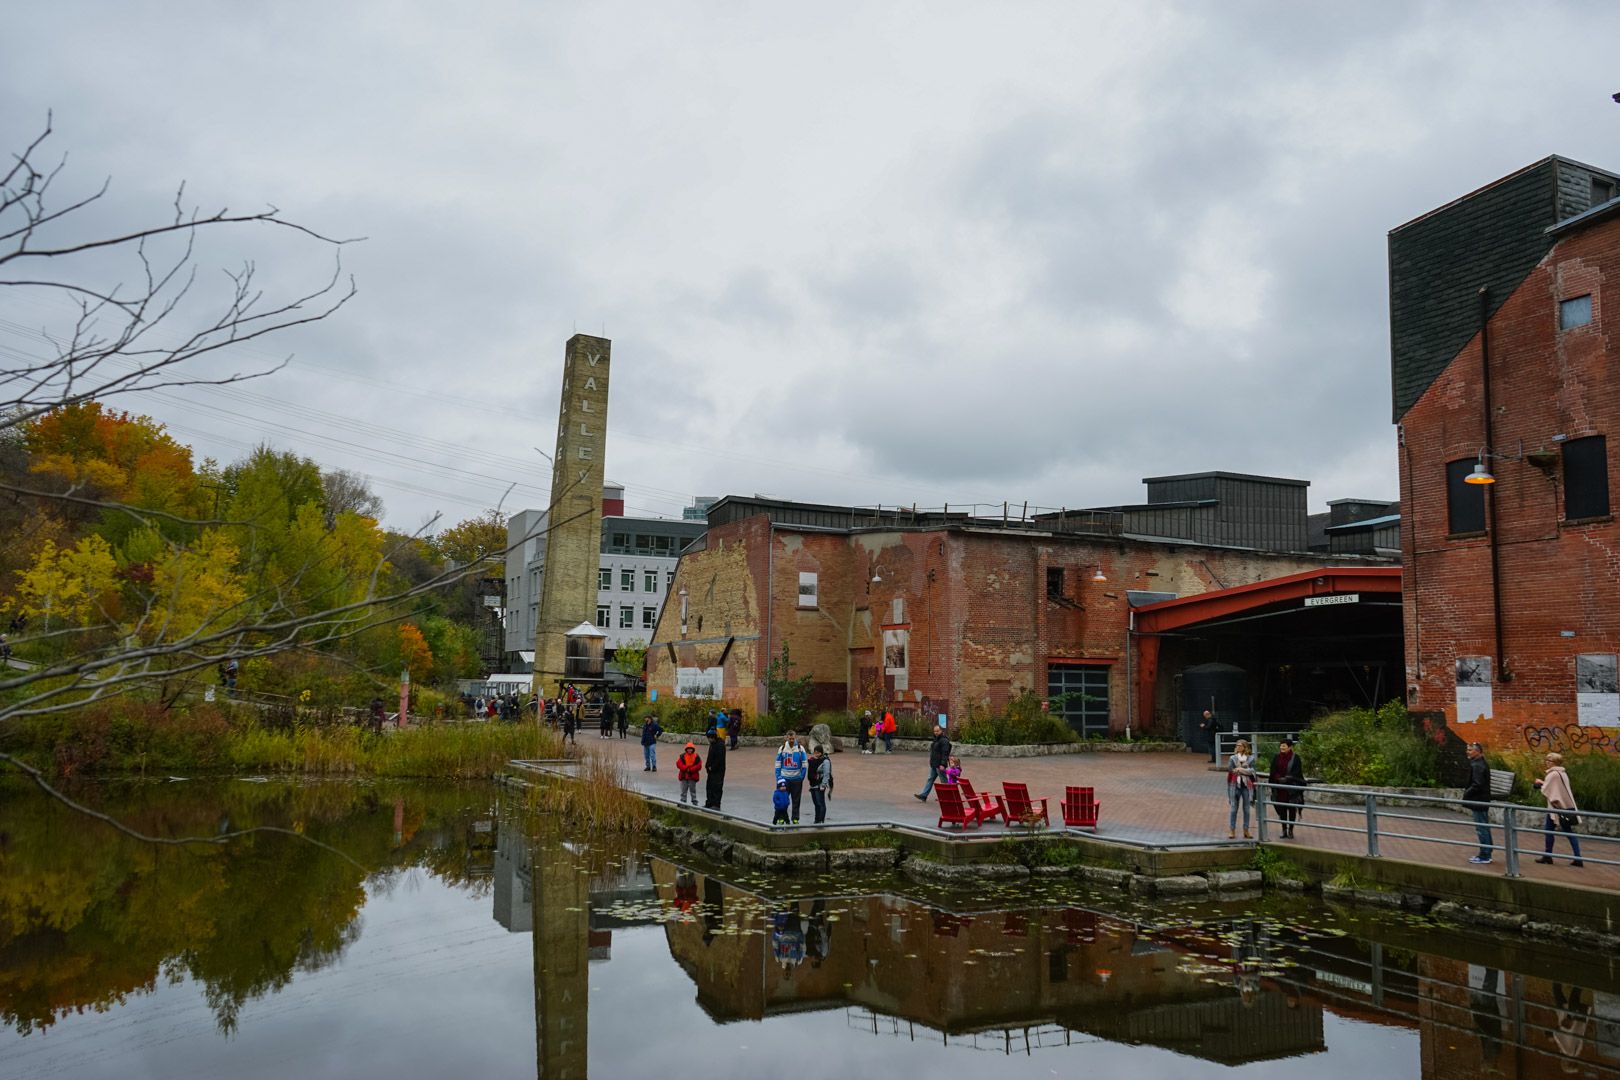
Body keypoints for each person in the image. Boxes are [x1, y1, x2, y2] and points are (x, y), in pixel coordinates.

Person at [1533, 751, 1583, 867]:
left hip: (1556, 808)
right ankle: (1577, 857)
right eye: (1546, 760)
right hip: (1566, 806)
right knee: (1568, 832)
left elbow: (1547, 789)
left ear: (1555, 762)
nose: (1547, 762)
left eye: (1549, 760)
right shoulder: (1562, 773)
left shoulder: (1553, 774)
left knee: (1549, 831)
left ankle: (1548, 856)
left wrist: (1540, 783)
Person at [1462, 741, 1494, 864]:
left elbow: (1477, 784)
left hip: (1479, 800)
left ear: (1477, 751)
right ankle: (1486, 852)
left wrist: (1466, 794)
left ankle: (1485, 855)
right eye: (1467, 749)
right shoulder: (1479, 763)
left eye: (1470, 750)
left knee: (1481, 827)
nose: (1467, 752)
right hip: (1482, 799)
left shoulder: (1478, 765)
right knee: (1483, 826)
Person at [1268, 737, 1305, 838]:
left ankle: (1291, 830)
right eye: (1281, 746)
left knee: (1291, 809)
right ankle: (1284, 830)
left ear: (1289, 747)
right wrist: (1277, 778)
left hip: (1291, 788)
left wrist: (1288, 778)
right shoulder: (1276, 757)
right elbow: (1273, 771)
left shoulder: (1295, 758)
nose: (1281, 747)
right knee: (1282, 809)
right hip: (1280, 788)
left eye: (1284, 746)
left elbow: (1297, 772)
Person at [915, 717, 952, 802]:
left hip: (940, 765)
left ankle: (949, 797)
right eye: (934, 731)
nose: (936, 733)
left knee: (944, 781)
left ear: (941, 731)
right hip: (934, 764)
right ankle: (924, 795)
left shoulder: (944, 741)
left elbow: (945, 753)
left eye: (937, 731)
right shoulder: (936, 740)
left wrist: (943, 764)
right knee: (930, 779)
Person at [775, 729, 808, 824]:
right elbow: (778, 763)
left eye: (793, 738)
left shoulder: (800, 749)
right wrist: (778, 777)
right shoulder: (782, 748)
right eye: (790, 739)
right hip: (784, 779)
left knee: (796, 800)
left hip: (796, 779)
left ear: (795, 737)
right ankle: (781, 817)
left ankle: (795, 818)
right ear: (787, 738)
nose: (791, 740)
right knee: (782, 800)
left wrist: (801, 776)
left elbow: (804, 763)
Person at [1227, 738, 1256, 839]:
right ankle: (1232, 830)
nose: (1237, 747)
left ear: (1245, 747)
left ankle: (1246, 830)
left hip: (1247, 786)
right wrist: (1243, 770)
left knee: (1247, 809)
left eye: (1240, 746)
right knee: (1234, 809)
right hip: (1235, 785)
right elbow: (1231, 770)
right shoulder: (1232, 758)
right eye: (1237, 745)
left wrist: (1240, 769)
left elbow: (1253, 771)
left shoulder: (1250, 758)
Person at [807, 746, 833, 824]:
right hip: (813, 785)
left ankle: (821, 820)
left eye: (818, 752)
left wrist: (823, 785)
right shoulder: (814, 760)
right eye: (815, 752)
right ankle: (817, 819)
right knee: (816, 804)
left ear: (821, 752)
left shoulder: (825, 761)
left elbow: (826, 774)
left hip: (820, 785)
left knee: (820, 803)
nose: (816, 754)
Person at [704, 725, 727, 810]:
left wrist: (712, 767)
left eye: (710, 738)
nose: (709, 740)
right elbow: (709, 756)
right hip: (711, 770)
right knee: (709, 786)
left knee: (717, 787)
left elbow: (719, 759)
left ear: (713, 737)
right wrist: (707, 766)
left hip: (718, 771)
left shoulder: (720, 745)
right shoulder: (712, 744)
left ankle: (716, 804)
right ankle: (709, 802)